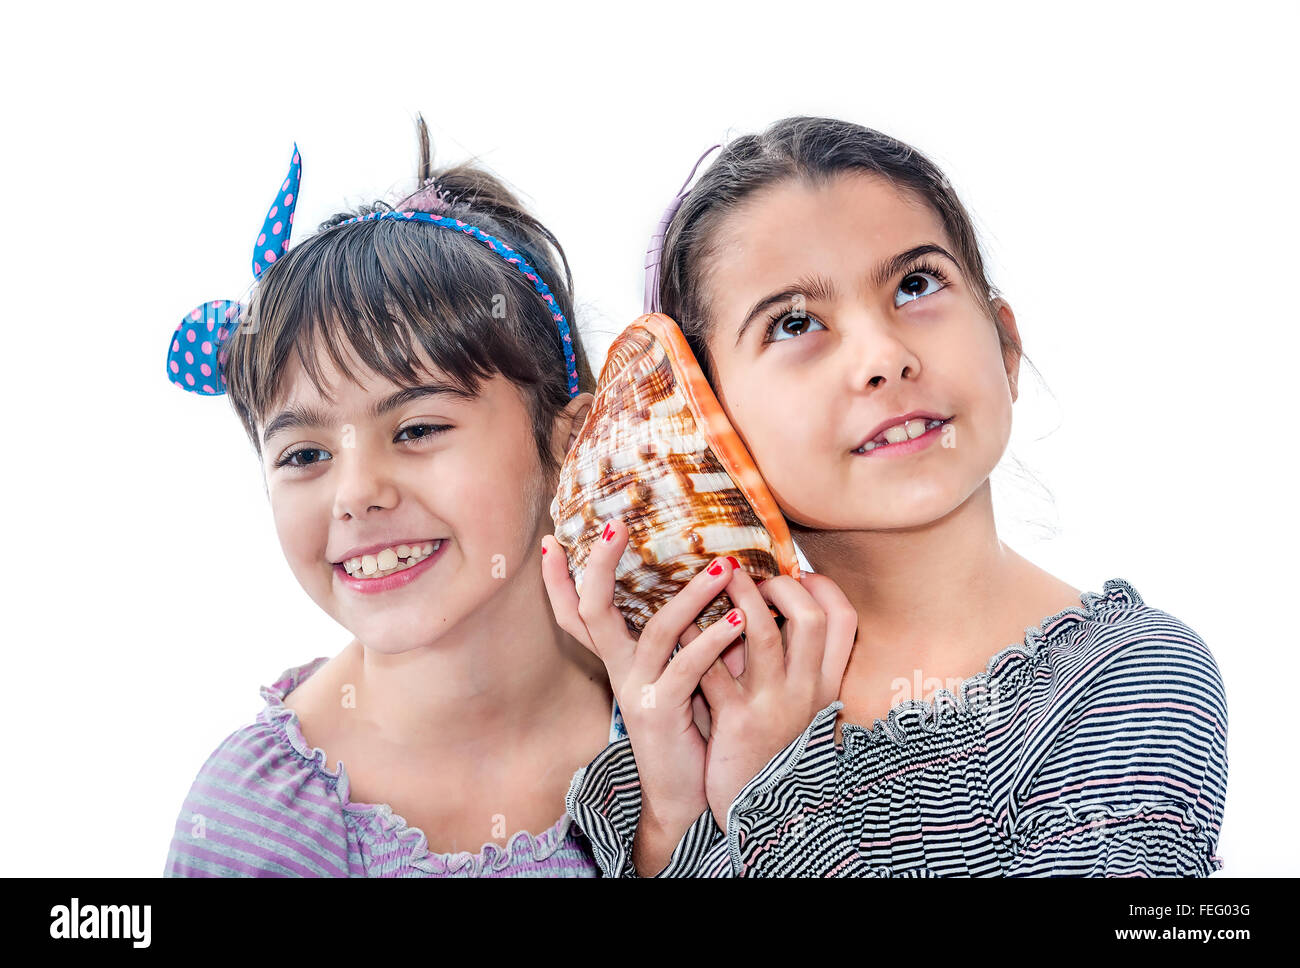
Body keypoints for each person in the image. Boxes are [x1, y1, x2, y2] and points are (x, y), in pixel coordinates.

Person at [547, 116, 1229, 877]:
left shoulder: (1131, 679)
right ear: (706, 417)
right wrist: (676, 816)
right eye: (795, 323)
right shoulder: (687, 701)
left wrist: (767, 798)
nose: (884, 357)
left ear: (1006, 345)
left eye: (915, 284)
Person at [164, 116, 618, 877]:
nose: (356, 494)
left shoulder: (702, 705)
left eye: (417, 429)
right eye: (305, 455)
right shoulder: (256, 825)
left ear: (569, 441)